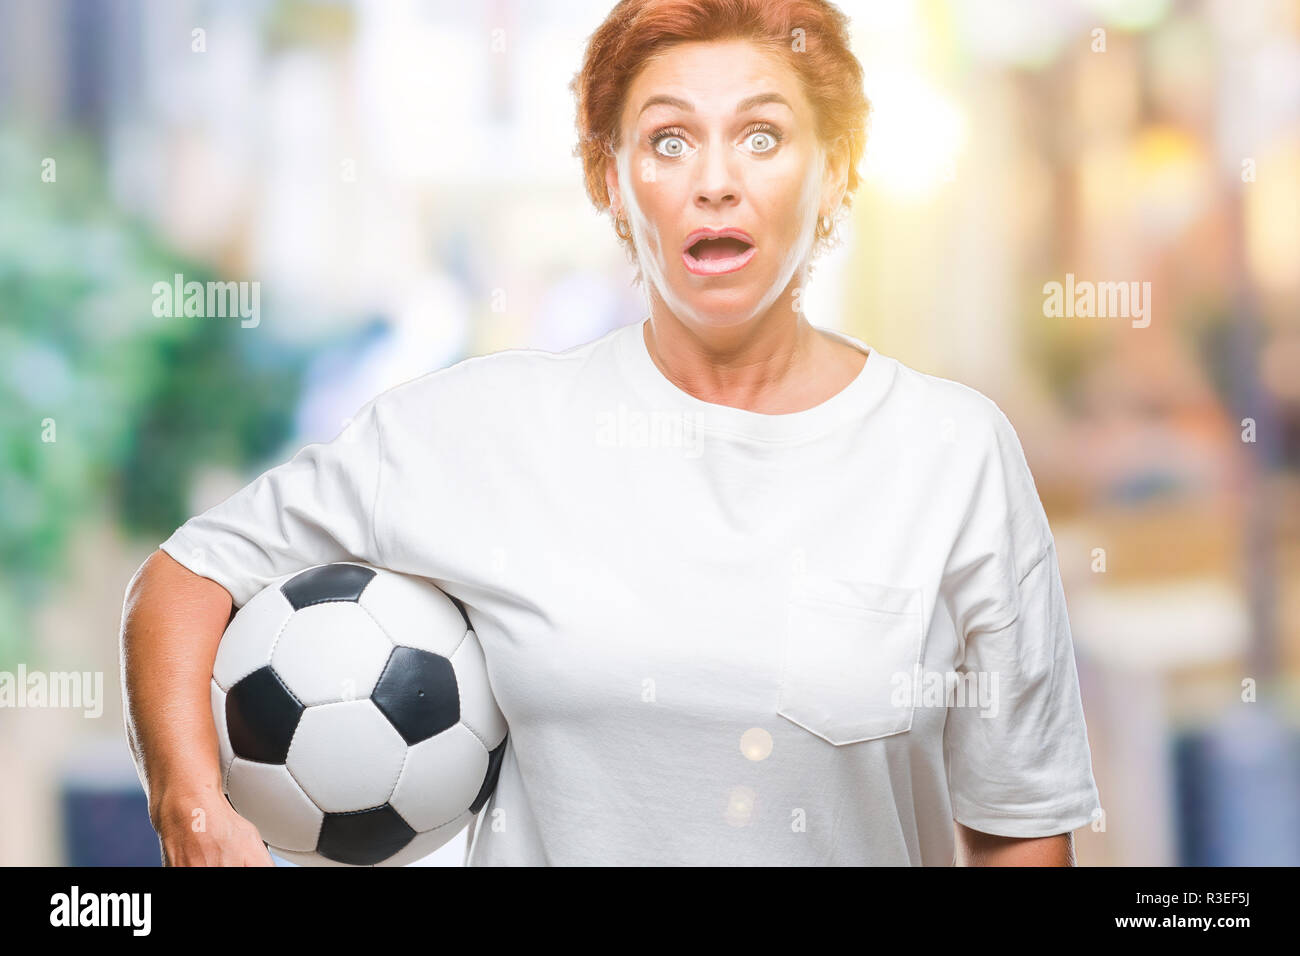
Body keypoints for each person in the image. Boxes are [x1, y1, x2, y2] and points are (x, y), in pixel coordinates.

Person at [121, 0, 1100, 866]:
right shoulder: (473, 430)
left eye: (762, 136)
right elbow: (185, 575)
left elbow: (1018, 824)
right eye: (667, 141)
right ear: (609, 180)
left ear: (836, 170)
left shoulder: (951, 452)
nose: (714, 181)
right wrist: (191, 802)